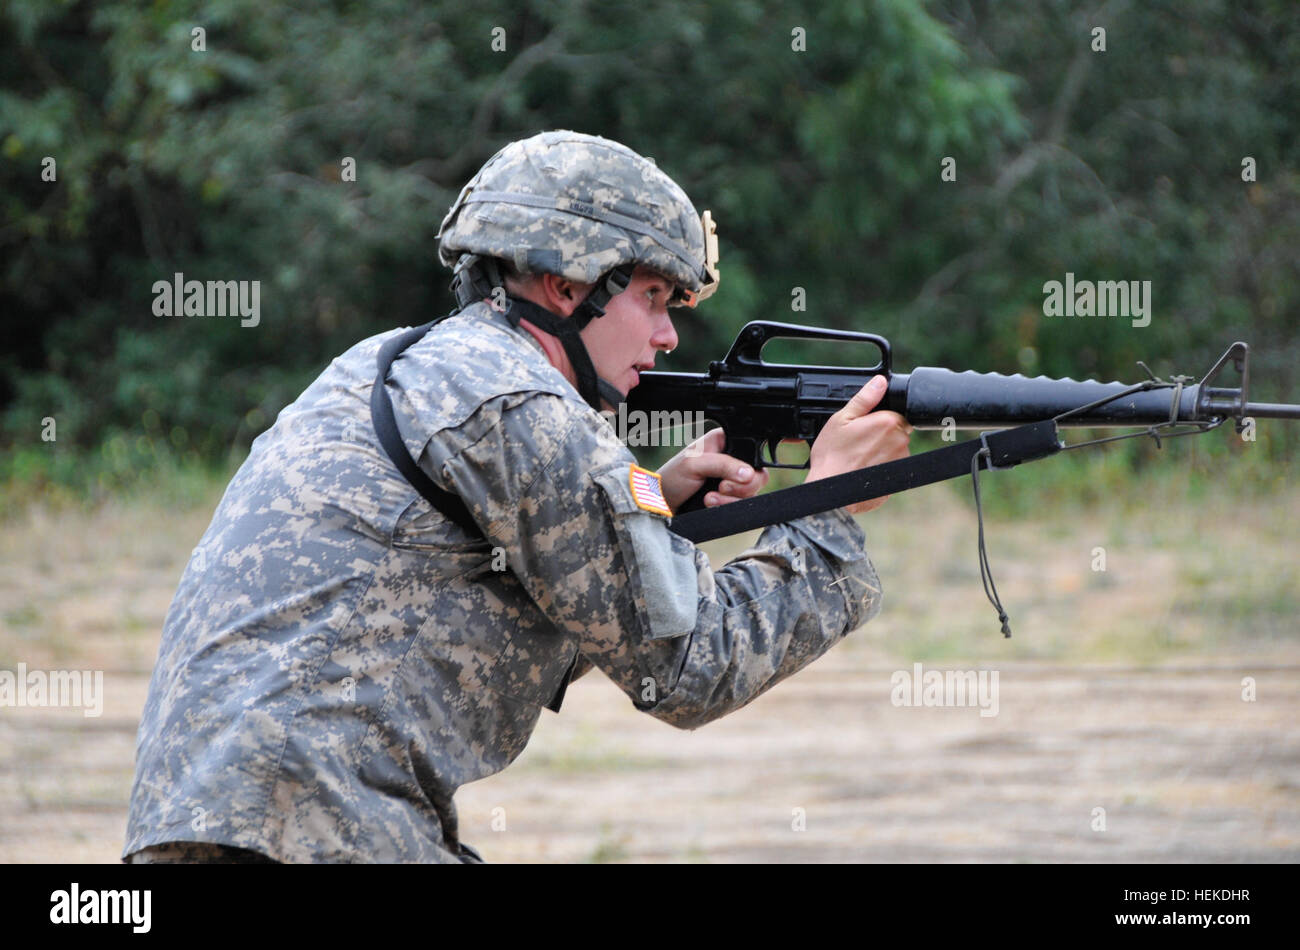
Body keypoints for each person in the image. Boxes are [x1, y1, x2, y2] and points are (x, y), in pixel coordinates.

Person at [122, 130, 912, 863]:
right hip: (316, 829)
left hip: (215, 825)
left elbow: (440, 597)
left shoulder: (397, 362)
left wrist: (651, 512)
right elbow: (690, 666)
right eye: (653, 297)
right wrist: (829, 512)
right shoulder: (524, 407)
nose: (668, 337)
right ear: (568, 283)